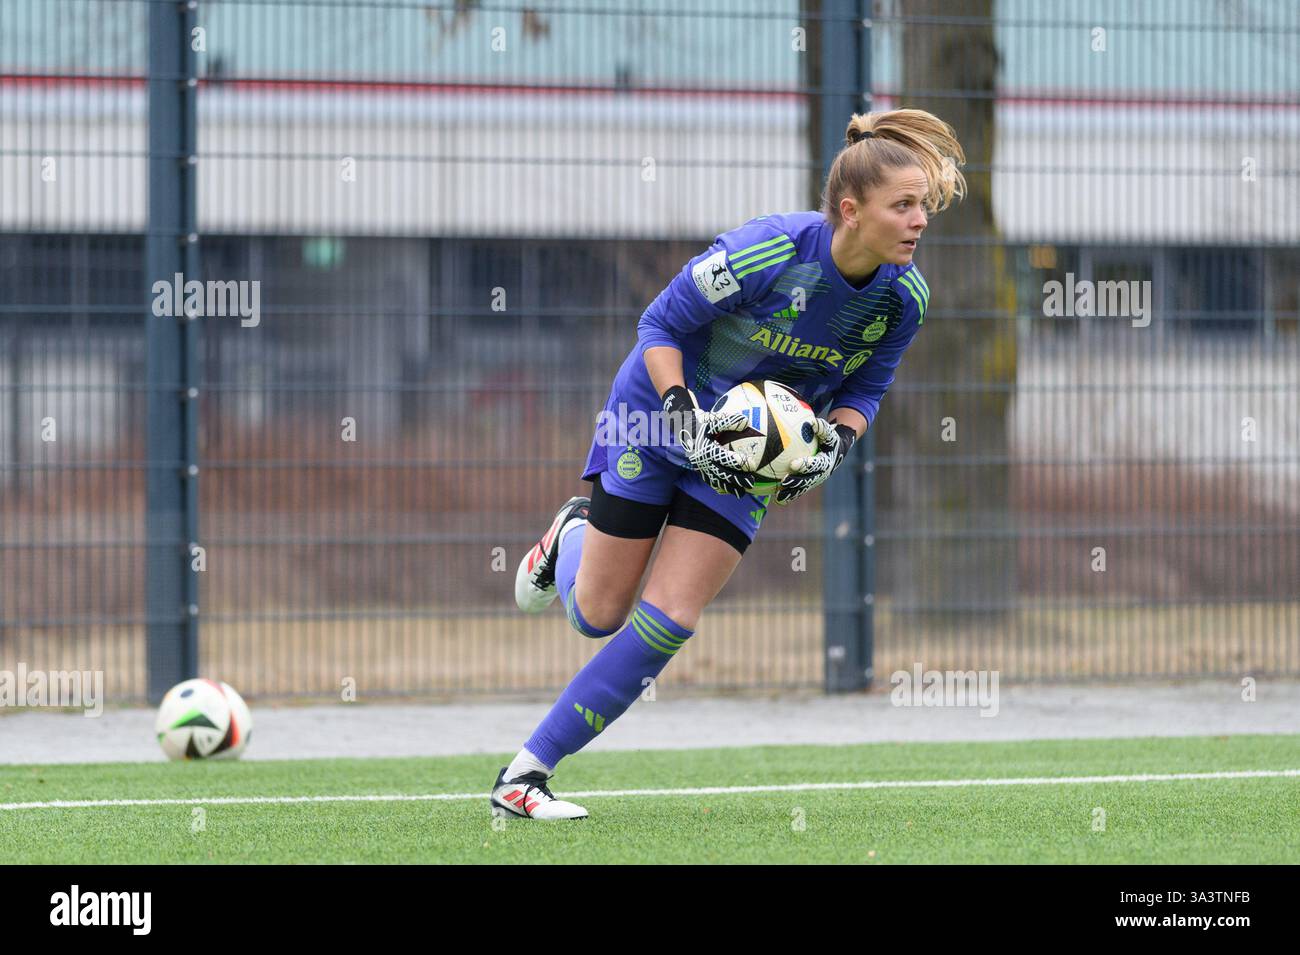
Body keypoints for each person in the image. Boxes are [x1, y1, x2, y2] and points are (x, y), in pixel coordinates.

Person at [491, 108, 967, 820]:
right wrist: (681, 405)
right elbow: (660, 323)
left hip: (747, 459)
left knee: (672, 618)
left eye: (922, 206)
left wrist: (834, 441)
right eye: (903, 205)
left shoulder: (904, 299)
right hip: (655, 417)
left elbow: (866, 388)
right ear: (850, 210)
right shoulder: (769, 250)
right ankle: (571, 535)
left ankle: (524, 775)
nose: (918, 220)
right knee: (596, 614)